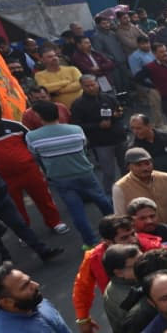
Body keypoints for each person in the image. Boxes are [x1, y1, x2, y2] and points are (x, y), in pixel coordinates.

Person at [25, 99, 114, 246]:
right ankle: (118, 228)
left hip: (60, 178)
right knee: (103, 202)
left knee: (77, 212)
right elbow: (84, 147)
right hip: (84, 172)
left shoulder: (32, 136)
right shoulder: (76, 129)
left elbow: (35, 154)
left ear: (40, 117)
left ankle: (90, 242)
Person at [0, 102, 68, 234]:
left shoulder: (14, 126)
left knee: (43, 198)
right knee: (16, 206)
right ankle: (25, 232)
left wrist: (40, 166)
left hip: (29, 171)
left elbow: (32, 144)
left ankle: (55, 222)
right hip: (4, 178)